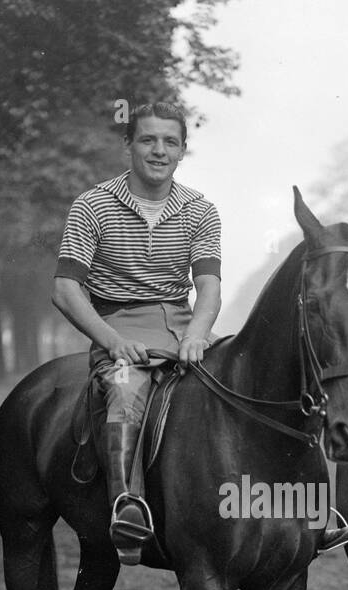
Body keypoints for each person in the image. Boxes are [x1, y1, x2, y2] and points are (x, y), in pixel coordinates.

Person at [52, 102, 220, 565]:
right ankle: (126, 507)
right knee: (126, 391)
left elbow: (208, 286)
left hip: (182, 328)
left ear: (183, 150)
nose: (159, 150)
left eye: (170, 141)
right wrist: (109, 340)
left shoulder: (199, 209)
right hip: (119, 327)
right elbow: (66, 289)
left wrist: (199, 334)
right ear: (128, 145)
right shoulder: (92, 205)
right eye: (147, 140)